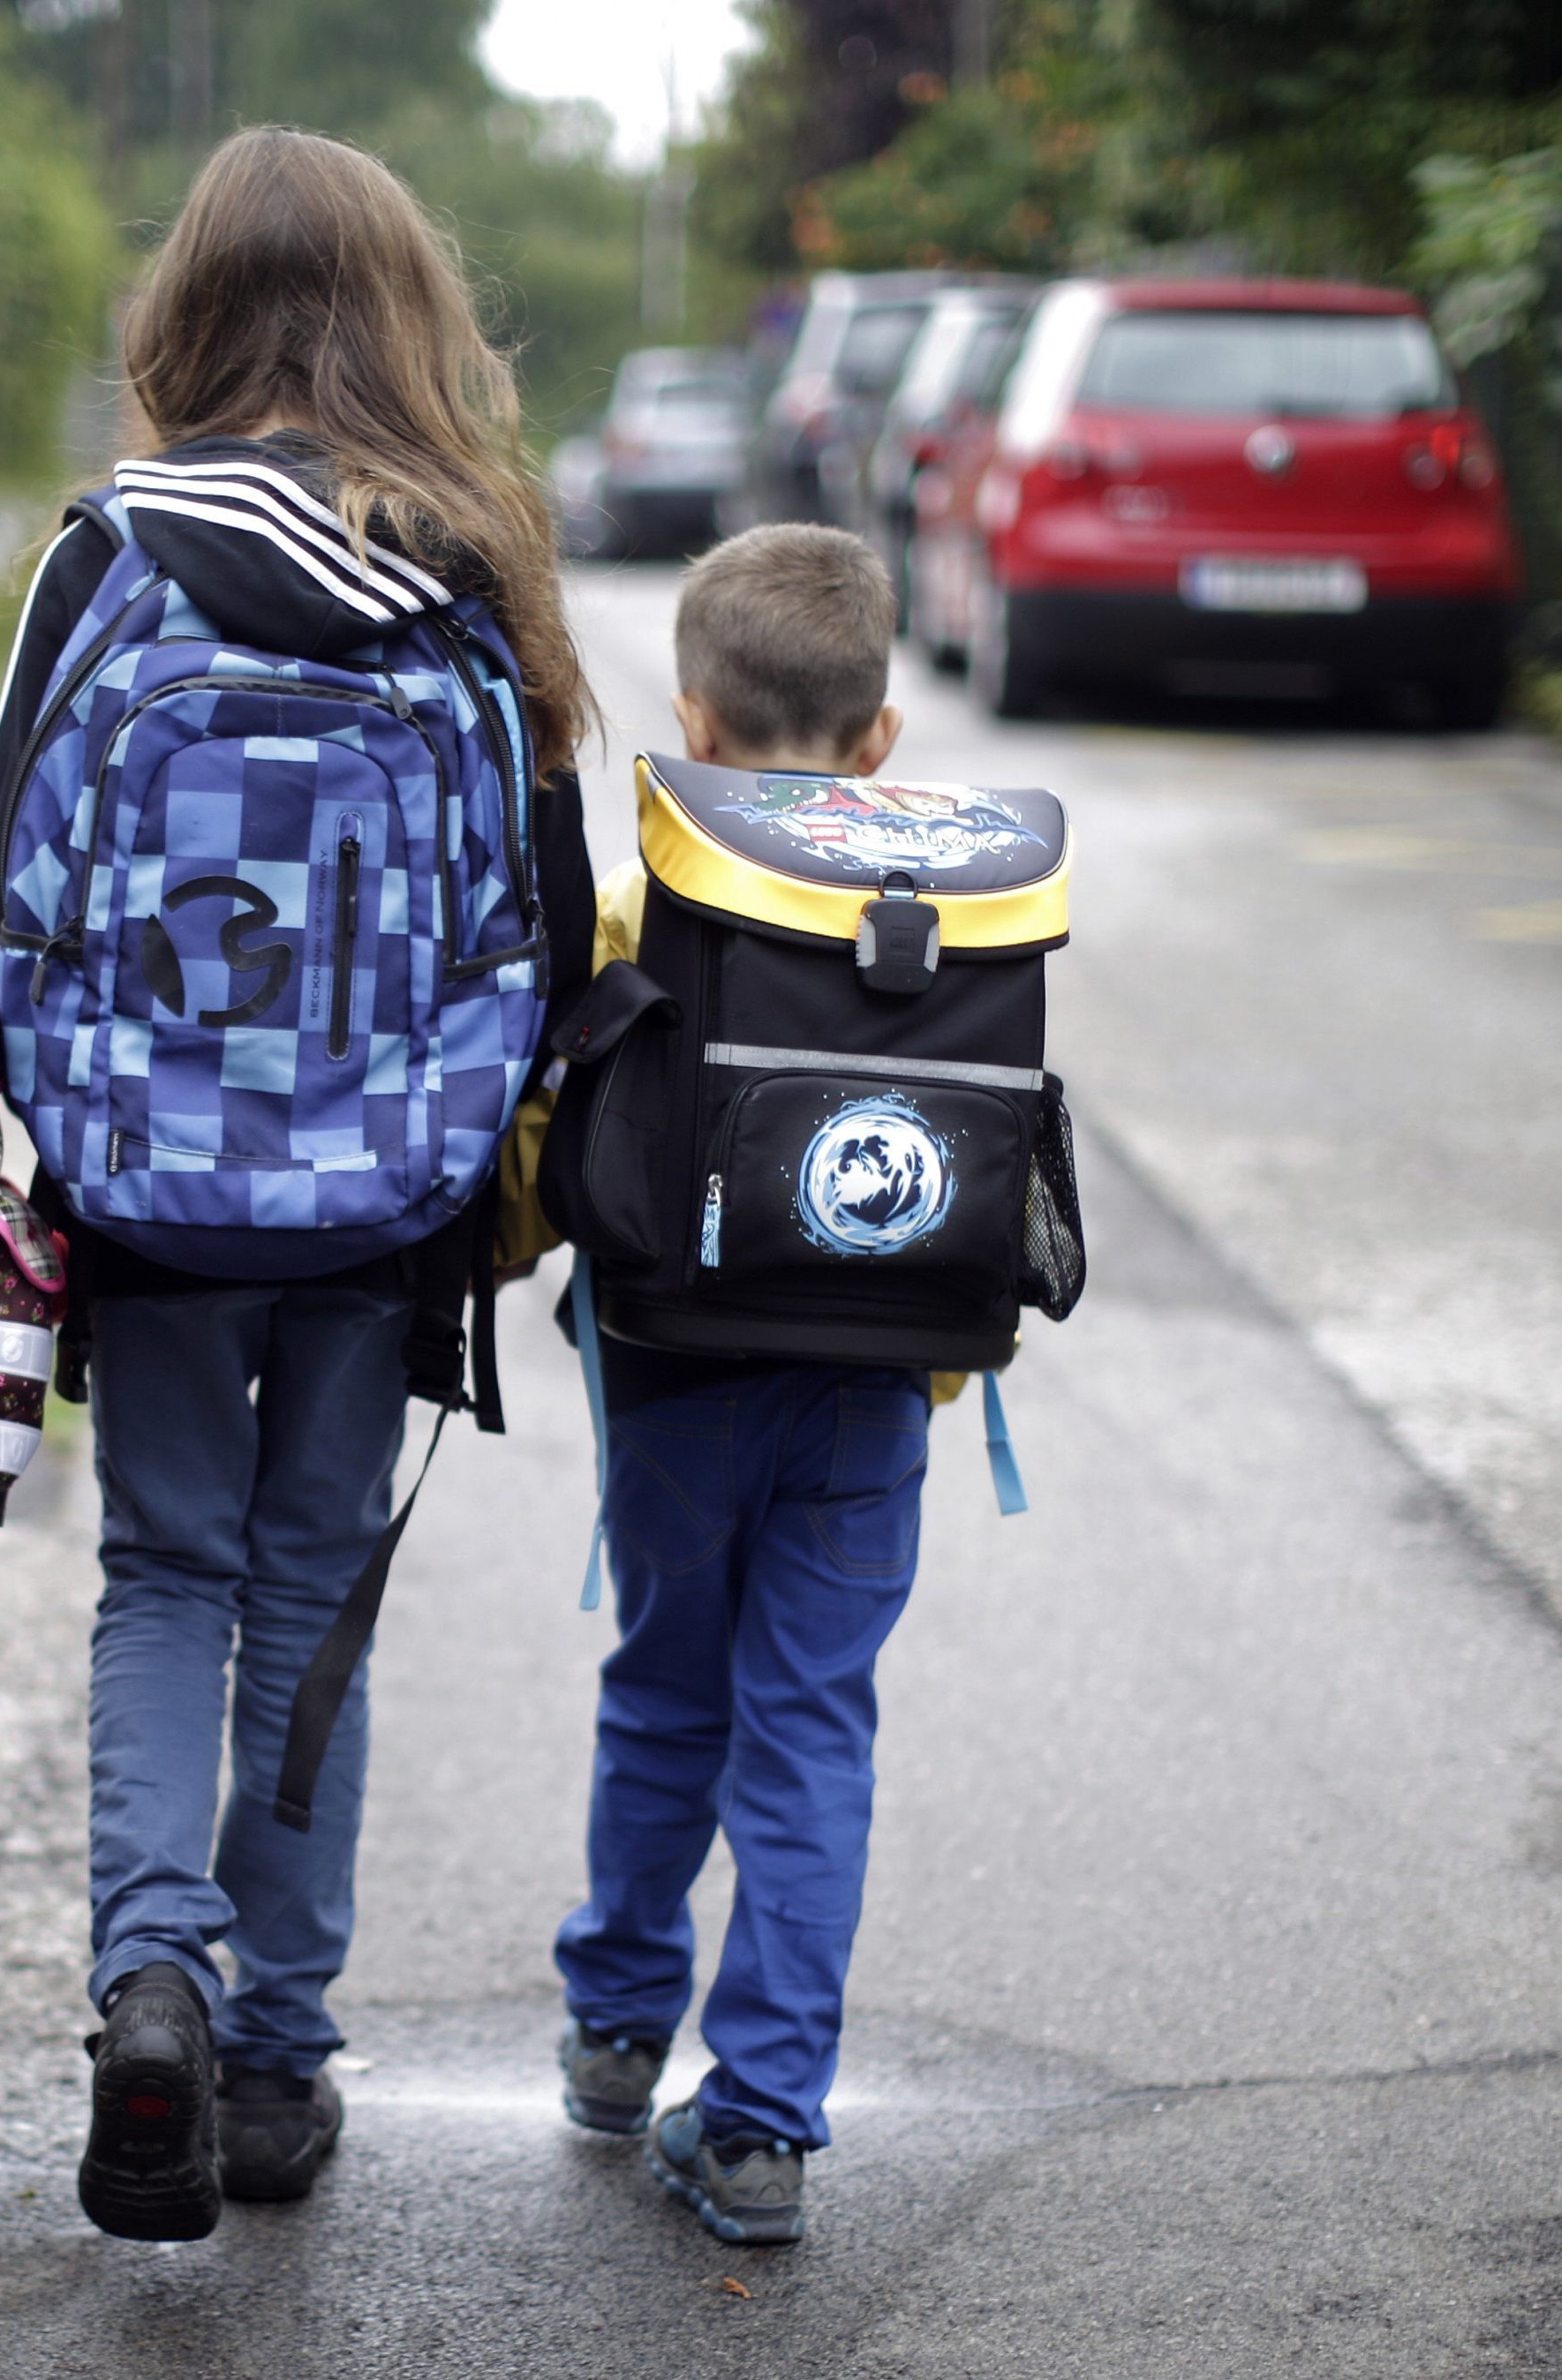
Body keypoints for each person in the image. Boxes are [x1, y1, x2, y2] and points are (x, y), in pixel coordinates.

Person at [0, 125, 596, 2236]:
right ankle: (276, 2062)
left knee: (164, 1572)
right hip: (382, 1186)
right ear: (412, 314)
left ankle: (153, 1970)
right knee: (316, 1590)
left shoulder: (110, 552)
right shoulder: (469, 565)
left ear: (184, 311)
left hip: (143, 1180)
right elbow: (549, 906)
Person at [546, 525, 925, 2247]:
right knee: (810, 1727)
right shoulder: (953, 898)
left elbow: (561, 1118)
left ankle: (621, 2026)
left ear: (688, 719)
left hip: (675, 1374)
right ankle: (761, 2117)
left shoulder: (649, 889)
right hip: (872, 1389)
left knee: (666, 1688)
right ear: (880, 742)